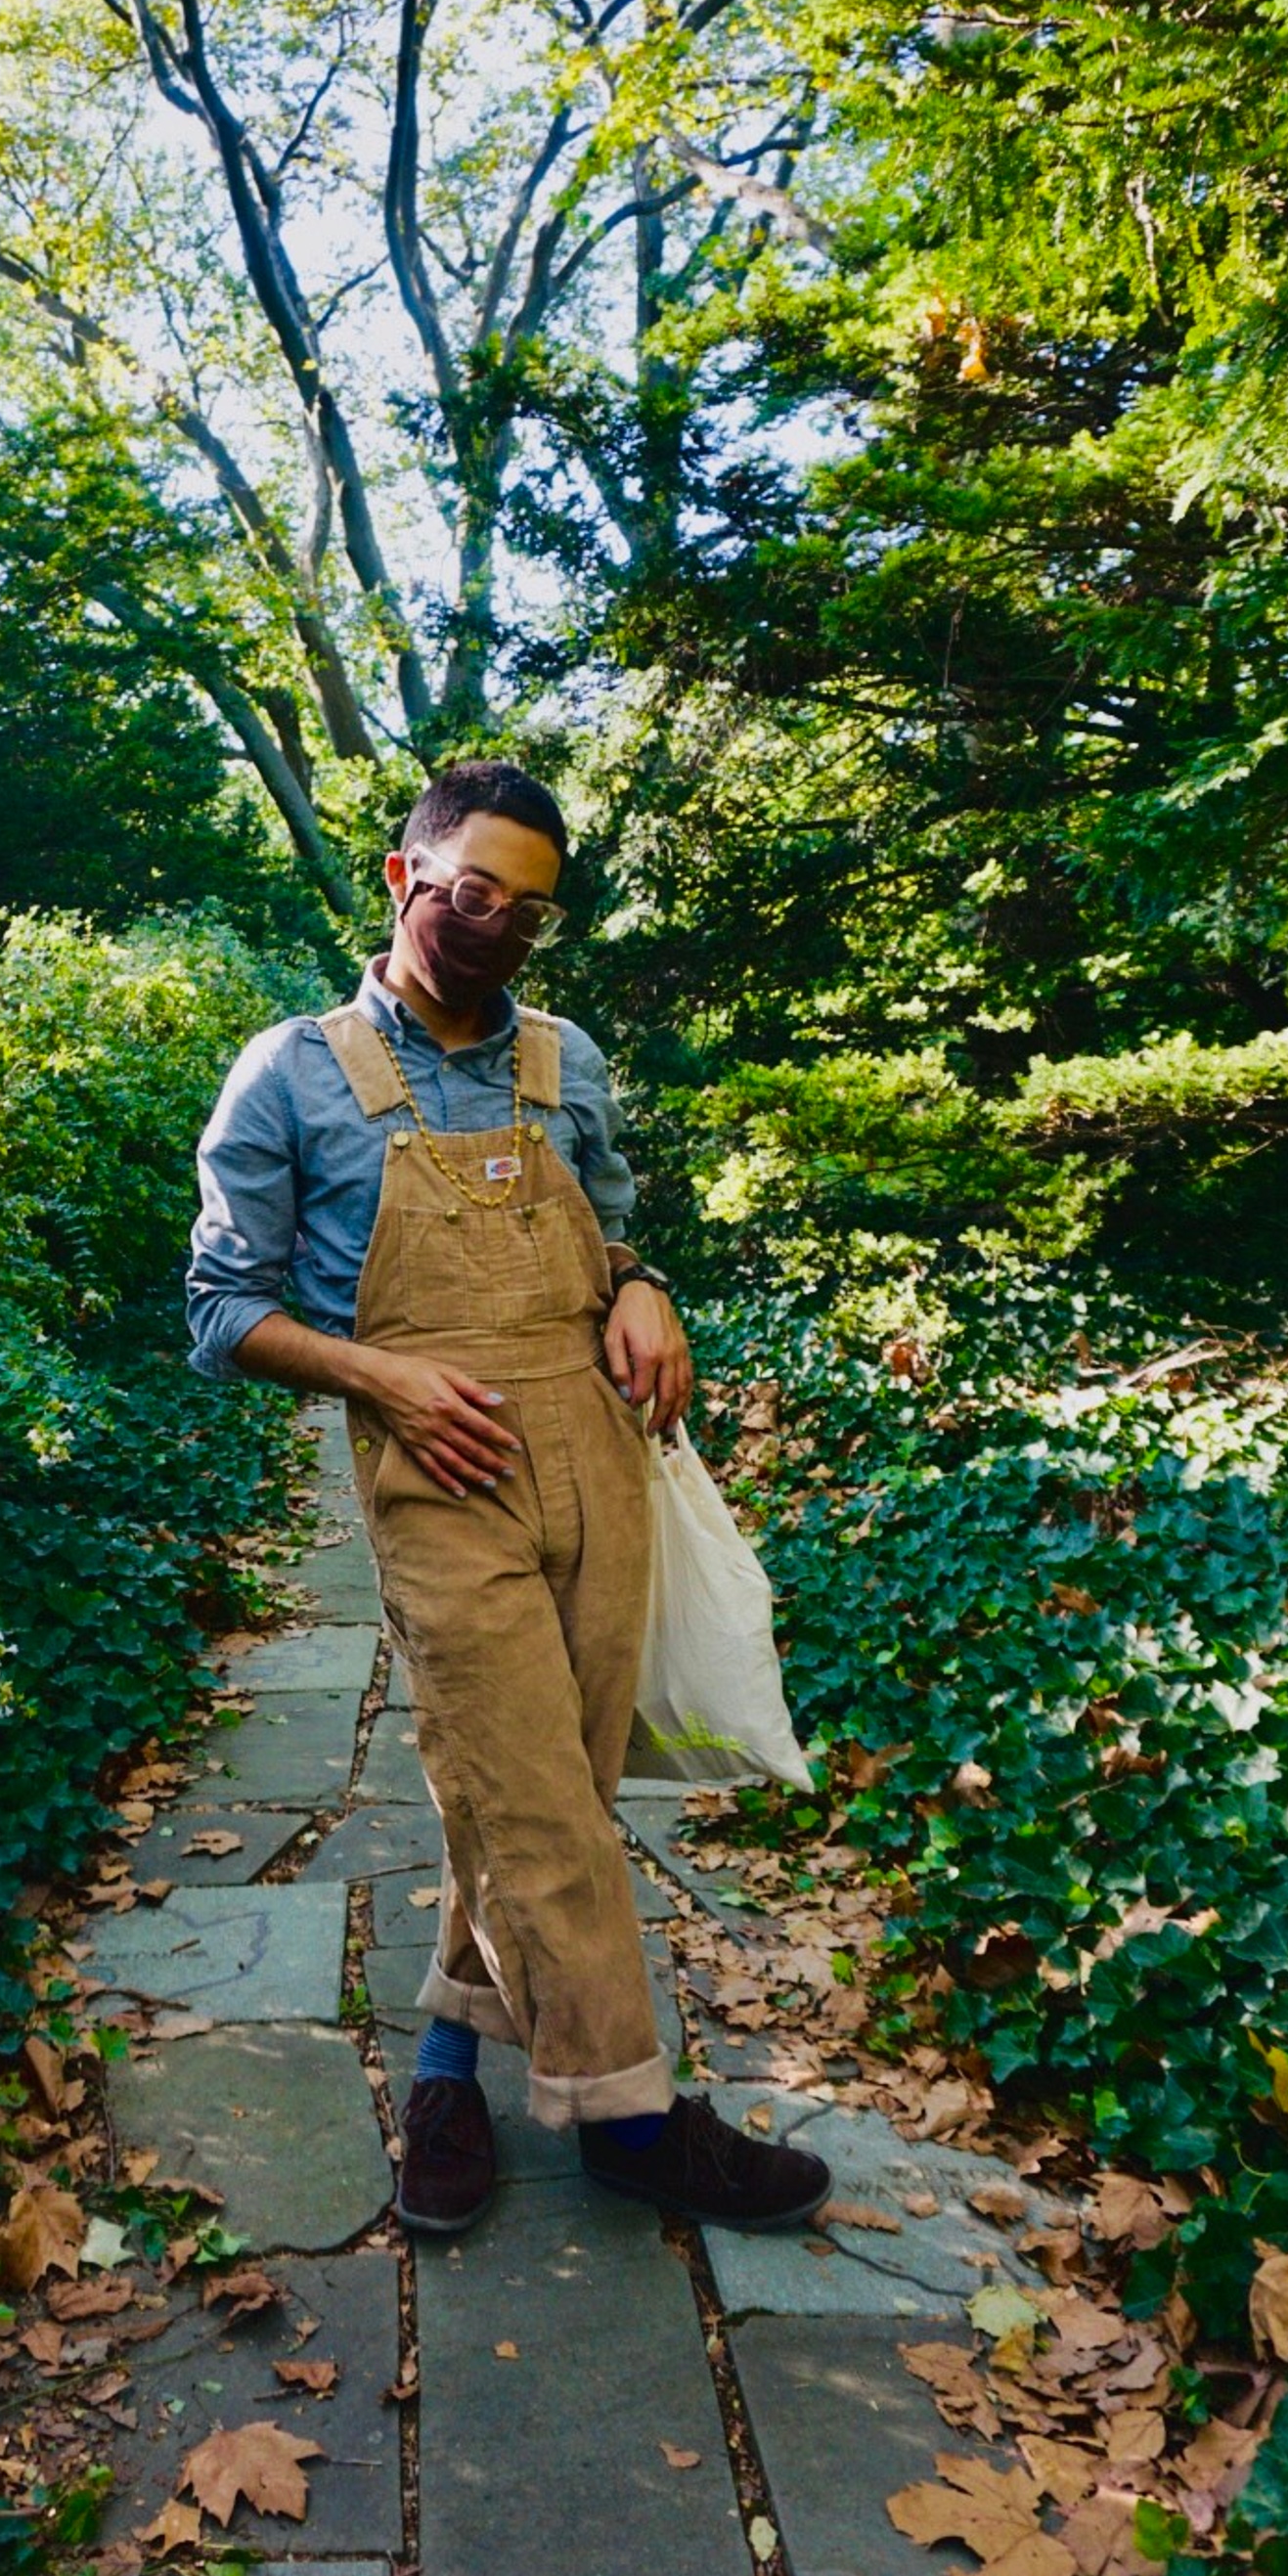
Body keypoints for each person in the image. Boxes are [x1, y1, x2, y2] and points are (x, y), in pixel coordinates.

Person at [185, 760, 830, 2238]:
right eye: (474, 892)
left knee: (557, 1785)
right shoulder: (292, 1070)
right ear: (406, 878)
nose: (496, 928)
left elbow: (610, 1229)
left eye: (529, 912)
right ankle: (633, 2121)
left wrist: (645, 1285)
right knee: (532, 1792)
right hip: (437, 1466)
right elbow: (222, 1313)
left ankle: (444, 2068)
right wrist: (385, 1382)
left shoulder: (567, 1060)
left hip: (596, 1451)